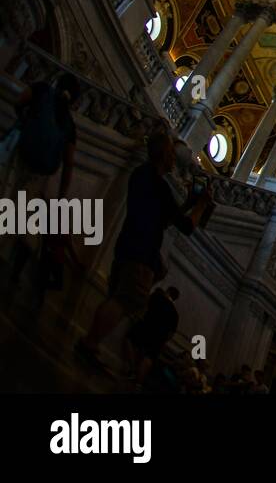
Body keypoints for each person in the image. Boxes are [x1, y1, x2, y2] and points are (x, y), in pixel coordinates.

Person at [76, 130, 211, 370]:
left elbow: (165, 218)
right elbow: (187, 226)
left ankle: (91, 342)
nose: (174, 160)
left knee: (115, 299)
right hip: (142, 252)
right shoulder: (160, 186)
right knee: (125, 301)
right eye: (171, 153)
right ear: (164, 155)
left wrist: (189, 203)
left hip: (127, 243)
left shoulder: (142, 175)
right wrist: (200, 206)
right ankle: (90, 342)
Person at [2, 72, 82, 285]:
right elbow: (69, 163)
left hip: (18, 156)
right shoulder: (70, 125)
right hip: (39, 176)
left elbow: (19, 101)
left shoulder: (42, 90)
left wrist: (25, 120)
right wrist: (61, 197)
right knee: (18, 222)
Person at [126, 286, 180, 385]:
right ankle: (137, 383)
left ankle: (132, 369)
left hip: (146, 327)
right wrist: (163, 340)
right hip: (159, 338)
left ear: (167, 291)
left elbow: (144, 306)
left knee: (129, 339)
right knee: (149, 358)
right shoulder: (175, 315)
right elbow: (171, 334)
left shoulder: (157, 297)